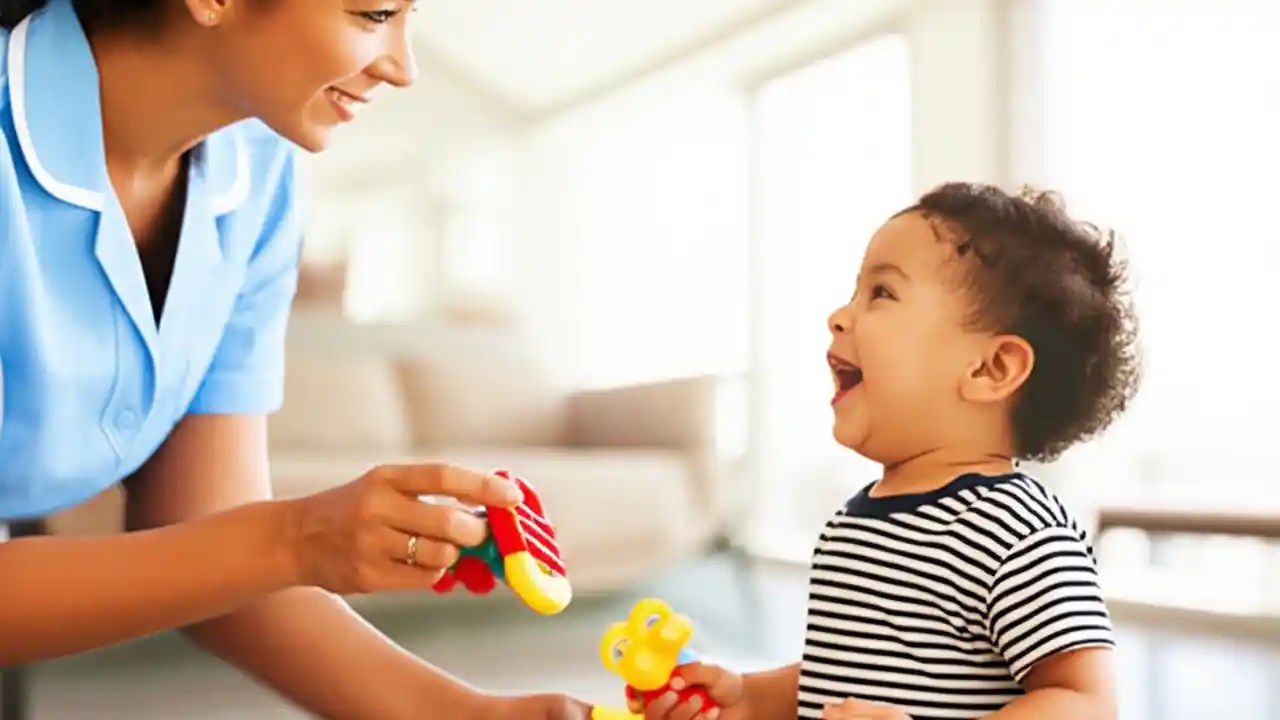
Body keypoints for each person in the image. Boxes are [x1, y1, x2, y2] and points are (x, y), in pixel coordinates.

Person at [0, 1, 590, 718]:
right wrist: (297, 536)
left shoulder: (260, 174)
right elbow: (252, 545)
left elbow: (203, 533)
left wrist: (474, 714)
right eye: (374, 13)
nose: (403, 67)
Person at [632, 183, 1140, 720]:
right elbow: (843, 678)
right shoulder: (854, 523)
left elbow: (1086, 702)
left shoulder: (1016, 529)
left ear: (990, 369)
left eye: (882, 293)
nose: (839, 316)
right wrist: (749, 698)